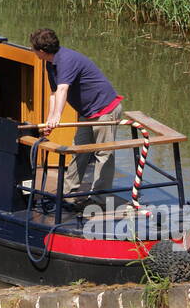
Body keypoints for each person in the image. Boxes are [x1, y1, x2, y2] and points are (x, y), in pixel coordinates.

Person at [29, 28, 125, 206]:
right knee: (78, 150)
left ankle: (99, 197)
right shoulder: (50, 63)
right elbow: (54, 92)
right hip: (87, 112)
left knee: (103, 153)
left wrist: (58, 115)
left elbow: (63, 89)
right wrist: (50, 120)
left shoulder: (66, 60)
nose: (32, 52)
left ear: (41, 51)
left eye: (33, 49)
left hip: (104, 109)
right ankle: (69, 193)